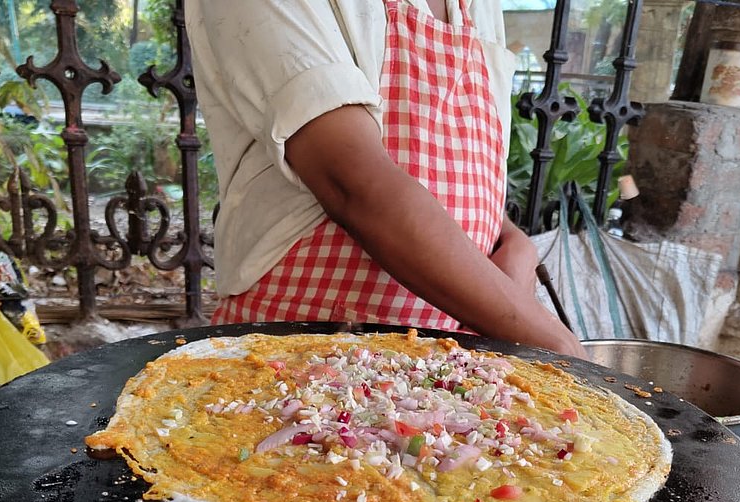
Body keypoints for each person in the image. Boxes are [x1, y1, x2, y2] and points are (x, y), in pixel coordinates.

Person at [184, 0, 585, 357]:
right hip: (299, 350)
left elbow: (454, 165)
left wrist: (514, 242)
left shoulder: (480, 6)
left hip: (461, 353)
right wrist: (558, 344)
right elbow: (354, 182)